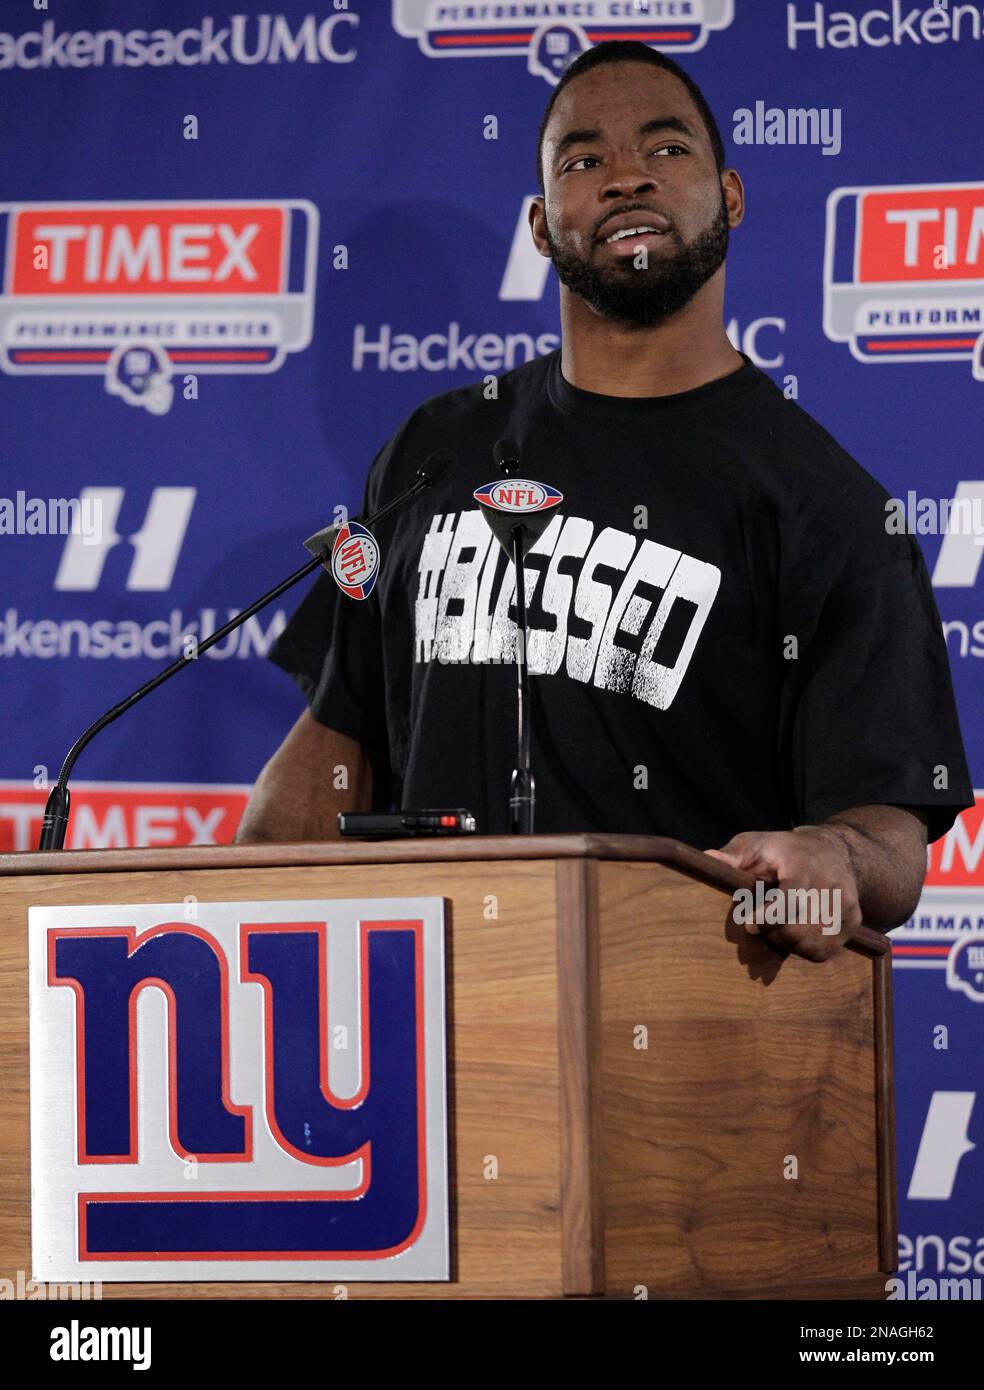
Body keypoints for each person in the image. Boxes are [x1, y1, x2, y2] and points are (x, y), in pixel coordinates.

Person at [236, 41, 973, 962]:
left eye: (666, 149)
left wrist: (835, 853)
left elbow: (891, 838)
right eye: (584, 161)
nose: (626, 177)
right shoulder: (435, 452)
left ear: (731, 195)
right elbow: (338, 739)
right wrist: (237, 909)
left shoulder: (829, 506)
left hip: (675, 1016)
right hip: (425, 1010)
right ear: (543, 226)